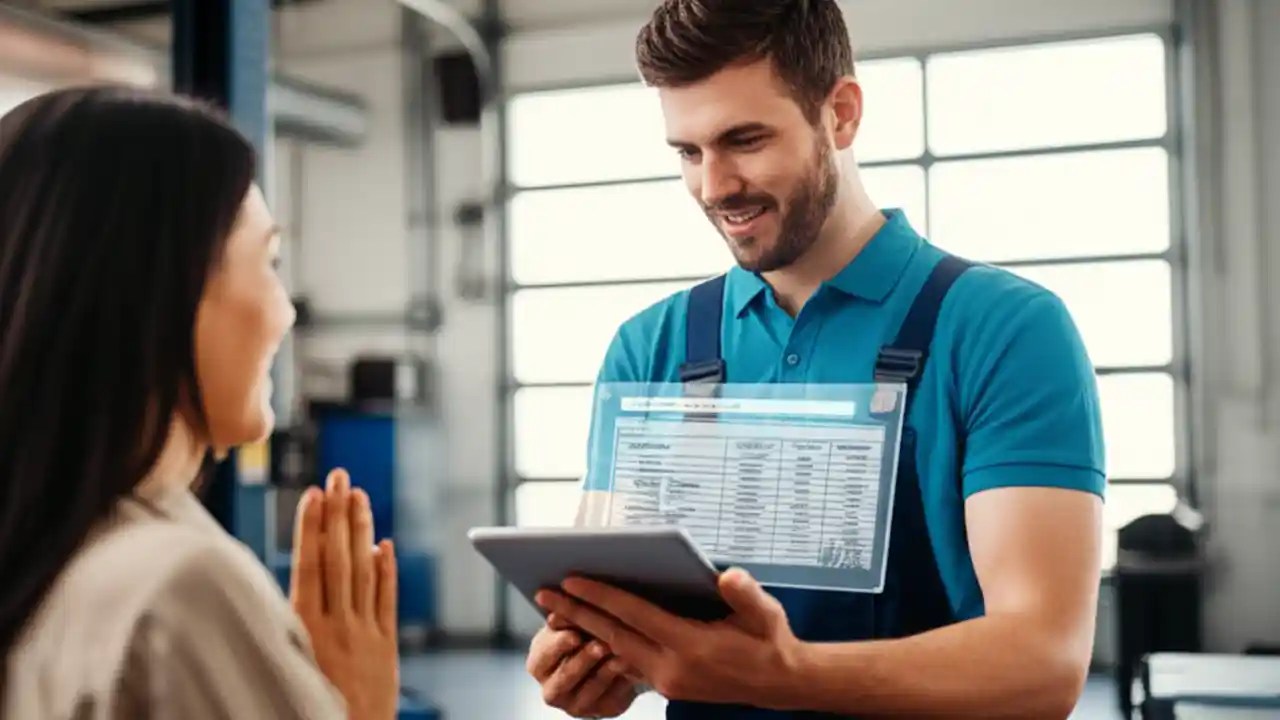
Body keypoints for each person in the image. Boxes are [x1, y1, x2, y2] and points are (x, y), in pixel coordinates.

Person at [526, 1, 1105, 718]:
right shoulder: (650, 349)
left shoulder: (1006, 330)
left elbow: (1042, 666)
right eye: (689, 152)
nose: (715, 185)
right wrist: (595, 664)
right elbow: (627, 621)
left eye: (745, 139)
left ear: (841, 114)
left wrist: (783, 672)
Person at [0, 86, 399, 719]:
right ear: (165, 286)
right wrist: (354, 706)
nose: (285, 310)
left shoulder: (46, 568)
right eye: (267, 261)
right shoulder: (181, 590)